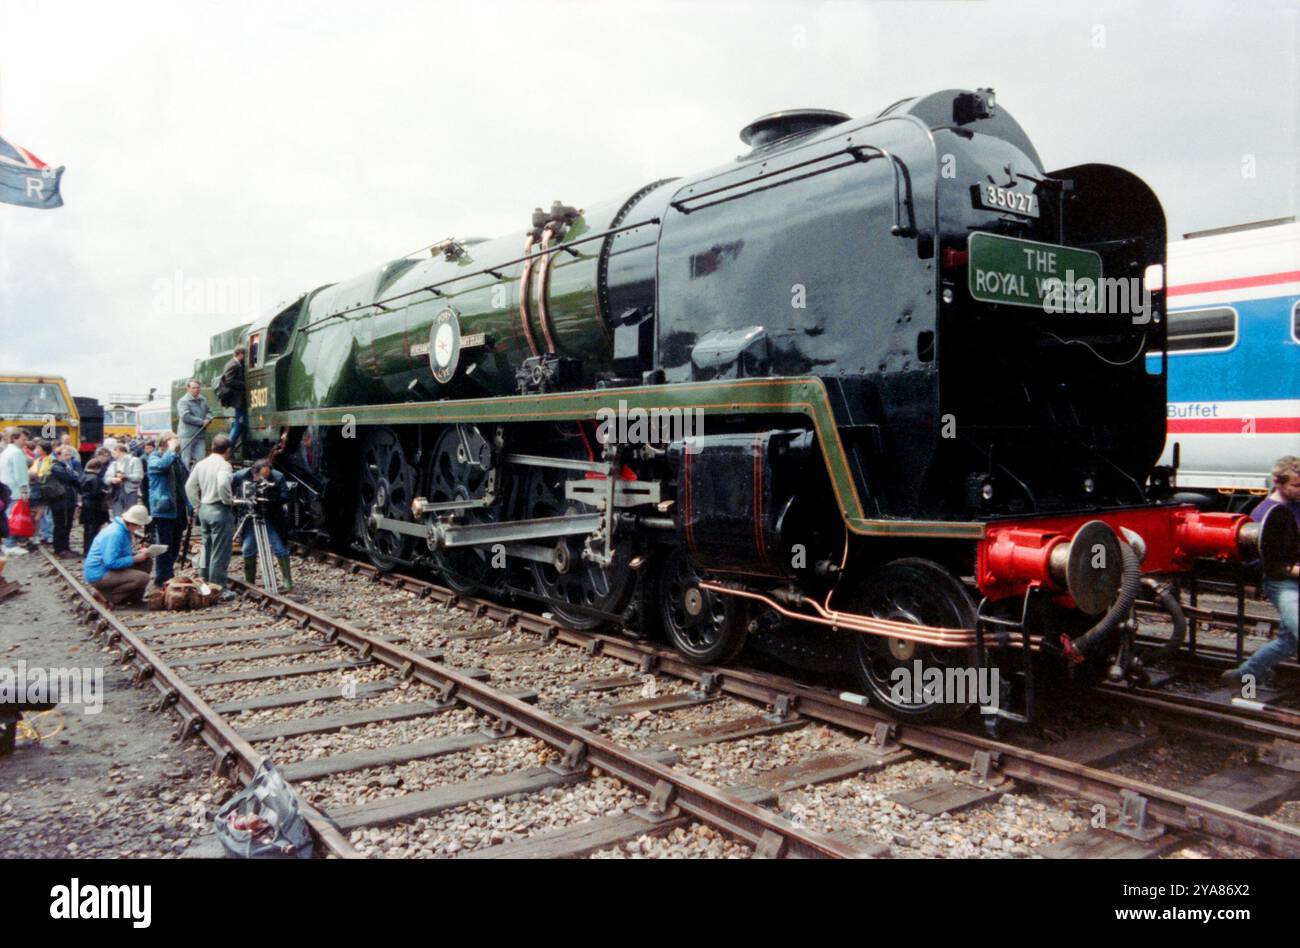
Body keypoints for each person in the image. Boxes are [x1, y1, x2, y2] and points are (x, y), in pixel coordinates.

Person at [1222, 455, 1300, 687]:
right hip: (1283, 583)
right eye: (1296, 485)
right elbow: (1257, 561)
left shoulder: (1298, 505)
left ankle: (1243, 675)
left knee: (1288, 642)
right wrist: (1293, 570)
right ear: (1278, 482)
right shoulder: (1263, 514)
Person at [185, 433, 235, 600]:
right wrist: (228, 500)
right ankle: (218, 587)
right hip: (219, 510)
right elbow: (222, 483)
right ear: (227, 450)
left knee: (206, 548)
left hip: (204, 509)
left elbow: (189, 486)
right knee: (220, 551)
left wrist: (197, 505)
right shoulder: (224, 465)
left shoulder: (201, 464)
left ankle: (204, 581)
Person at [232, 458, 293, 593]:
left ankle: (287, 581)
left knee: (279, 547)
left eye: (267, 477)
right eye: (261, 477)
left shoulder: (278, 476)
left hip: (272, 516)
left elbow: (285, 495)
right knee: (248, 547)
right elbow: (230, 491)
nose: (263, 481)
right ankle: (250, 582)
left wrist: (271, 499)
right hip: (249, 516)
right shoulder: (241, 475)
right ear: (254, 472)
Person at [83, 504, 154, 606]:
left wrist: (137, 554)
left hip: (105, 568)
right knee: (143, 578)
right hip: (100, 573)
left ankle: (133, 598)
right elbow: (110, 562)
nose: (141, 527)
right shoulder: (115, 534)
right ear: (132, 523)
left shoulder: (123, 530)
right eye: (139, 525)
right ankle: (108, 597)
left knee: (146, 561)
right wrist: (134, 559)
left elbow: (119, 553)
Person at [147, 432, 188, 586]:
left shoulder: (175, 458)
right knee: (165, 544)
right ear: (165, 442)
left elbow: (184, 479)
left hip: (178, 507)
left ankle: (169, 573)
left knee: (176, 542)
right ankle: (162, 577)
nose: (177, 442)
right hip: (163, 508)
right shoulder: (154, 458)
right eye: (174, 440)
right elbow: (162, 466)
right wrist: (171, 451)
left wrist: (189, 507)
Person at [0, 428, 31, 554]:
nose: (26, 442)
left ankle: (7, 543)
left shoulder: (6, 451)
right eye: (23, 439)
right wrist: (24, 490)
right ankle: (10, 544)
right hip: (15, 490)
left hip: (5, 488)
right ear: (15, 438)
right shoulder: (17, 453)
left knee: (7, 516)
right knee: (12, 517)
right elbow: (21, 473)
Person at [47, 446, 81, 558]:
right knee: (61, 525)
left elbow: (75, 478)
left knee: (67, 525)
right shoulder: (56, 467)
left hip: (67, 500)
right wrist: (74, 476)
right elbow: (71, 478)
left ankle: (65, 547)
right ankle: (60, 549)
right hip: (61, 501)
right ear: (59, 455)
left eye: (70, 454)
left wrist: (75, 476)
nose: (69, 457)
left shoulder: (65, 466)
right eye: (66, 454)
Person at [78, 456, 112, 557]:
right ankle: (91, 552)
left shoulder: (83, 476)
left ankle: (86, 550)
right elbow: (98, 493)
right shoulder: (96, 478)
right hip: (95, 508)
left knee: (87, 531)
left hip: (86, 507)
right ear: (98, 468)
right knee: (93, 531)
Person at [176, 379, 212, 469]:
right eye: (193, 388)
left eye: (198, 388)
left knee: (201, 460)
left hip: (200, 435)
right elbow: (185, 417)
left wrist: (208, 418)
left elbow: (209, 411)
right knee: (185, 461)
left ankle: (195, 479)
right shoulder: (183, 401)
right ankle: (184, 481)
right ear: (188, 389)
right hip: (187, 436)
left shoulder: (203, 399)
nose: (196, 389)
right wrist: (202, 422)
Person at [220, 345, 248, 452]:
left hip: (240, 400)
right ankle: (227, 449)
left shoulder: (237, 364)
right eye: (245, 355)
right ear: (240, 354)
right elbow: (229, 381)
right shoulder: (233, 364)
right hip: (238, 400)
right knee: (237, 426)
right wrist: (245, 384)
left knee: (239, 425)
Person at [28, 439, 55, 544]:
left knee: (46, 513)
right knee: (37, 514)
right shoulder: (38, 460)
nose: (36, 450)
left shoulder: (50, 459)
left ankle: (48, 534)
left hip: (45, 489)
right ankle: (41, 534)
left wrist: (36, 476)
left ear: (44, 450)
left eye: (39, 448)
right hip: (36, 489)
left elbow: (45, 474)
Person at [107, 442, 144, 517]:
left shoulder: (134, 460)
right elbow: (106, 478)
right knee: (117, 517)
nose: (112, 454)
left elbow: (139, 476)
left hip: (130, 492)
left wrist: (126, 476)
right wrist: (112, 479)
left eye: (113, 452)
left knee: (130, 516)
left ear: (119, 451)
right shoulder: (113, 463)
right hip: (116, 492)